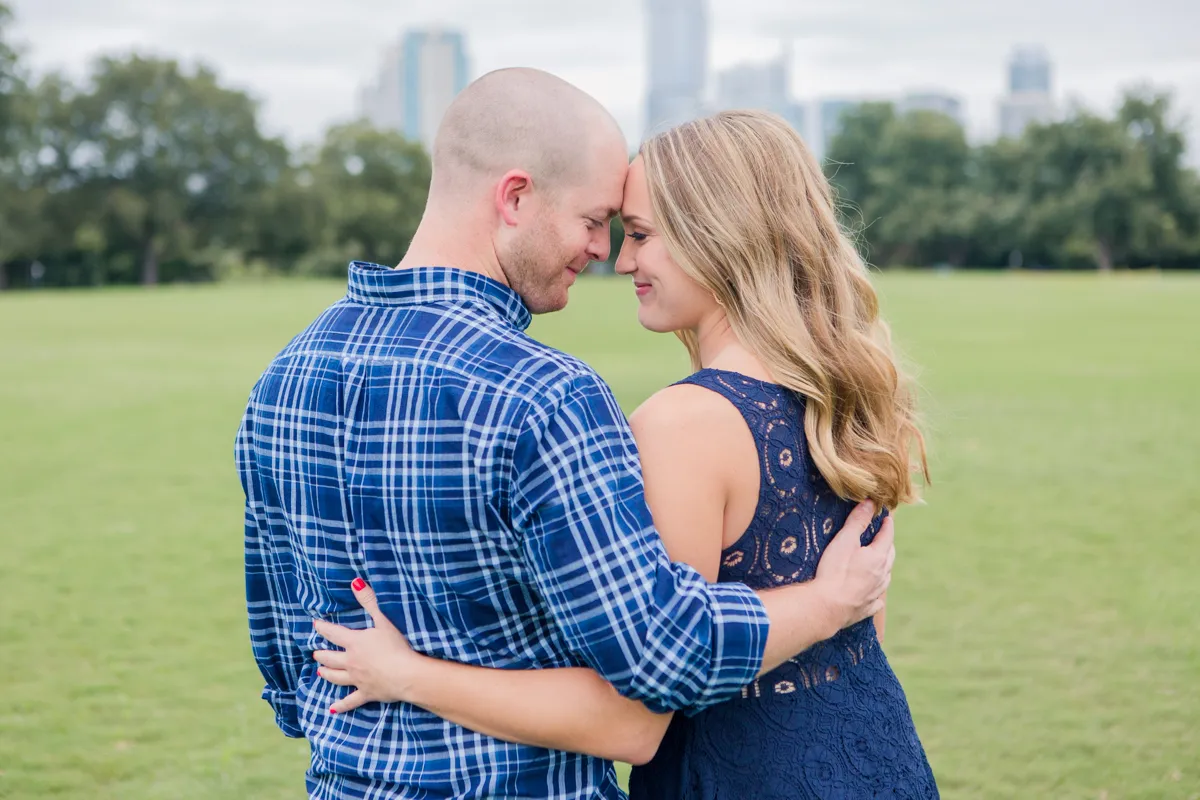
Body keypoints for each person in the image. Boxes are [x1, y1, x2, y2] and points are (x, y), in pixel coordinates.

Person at [236, 70, 895, 800]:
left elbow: (286, 662)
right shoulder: (546, 395)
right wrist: (831, 602)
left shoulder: (280, 381)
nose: (602, 251)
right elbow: (659, 660)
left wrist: (394, 693)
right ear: (515, 197)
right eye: (594, 220)